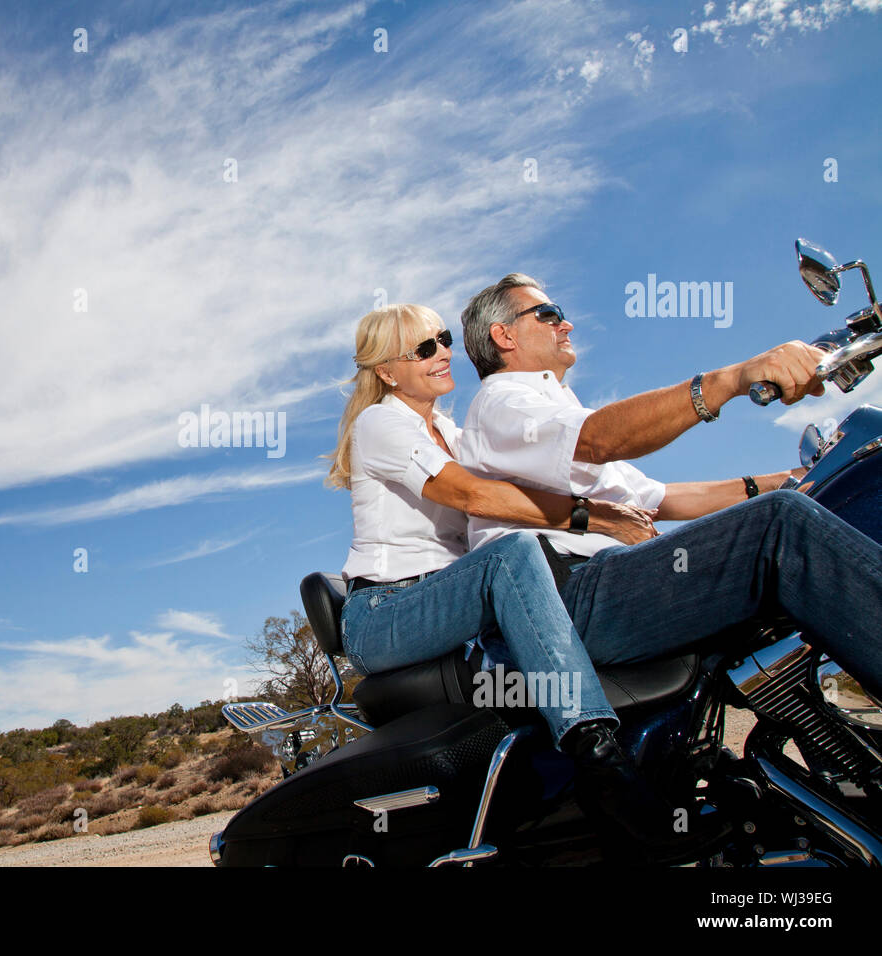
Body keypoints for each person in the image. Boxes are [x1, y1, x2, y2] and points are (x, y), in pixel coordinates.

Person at [326, 303, 711, 858]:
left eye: (441, 339)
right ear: (387, 371)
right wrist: (593, 517)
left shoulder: (455, 435)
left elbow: (521, 497)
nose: (442, 353)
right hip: (387, 611)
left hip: (452, 606)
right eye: (423, 348)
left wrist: (604, 508)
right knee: (513, 554)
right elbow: (474, 497)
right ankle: (601, 764)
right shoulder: (381, 422)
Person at [455, 273, 882, 704]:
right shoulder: (503, 400)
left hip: (603, 580)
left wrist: (804, 472)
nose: (566, 324)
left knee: (804, 502)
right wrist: (732, 380)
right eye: (549, 314)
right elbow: (600, 439)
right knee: (780, 524)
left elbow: (665, 499)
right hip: (559, 600)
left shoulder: (554, 406)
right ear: (504, 335)